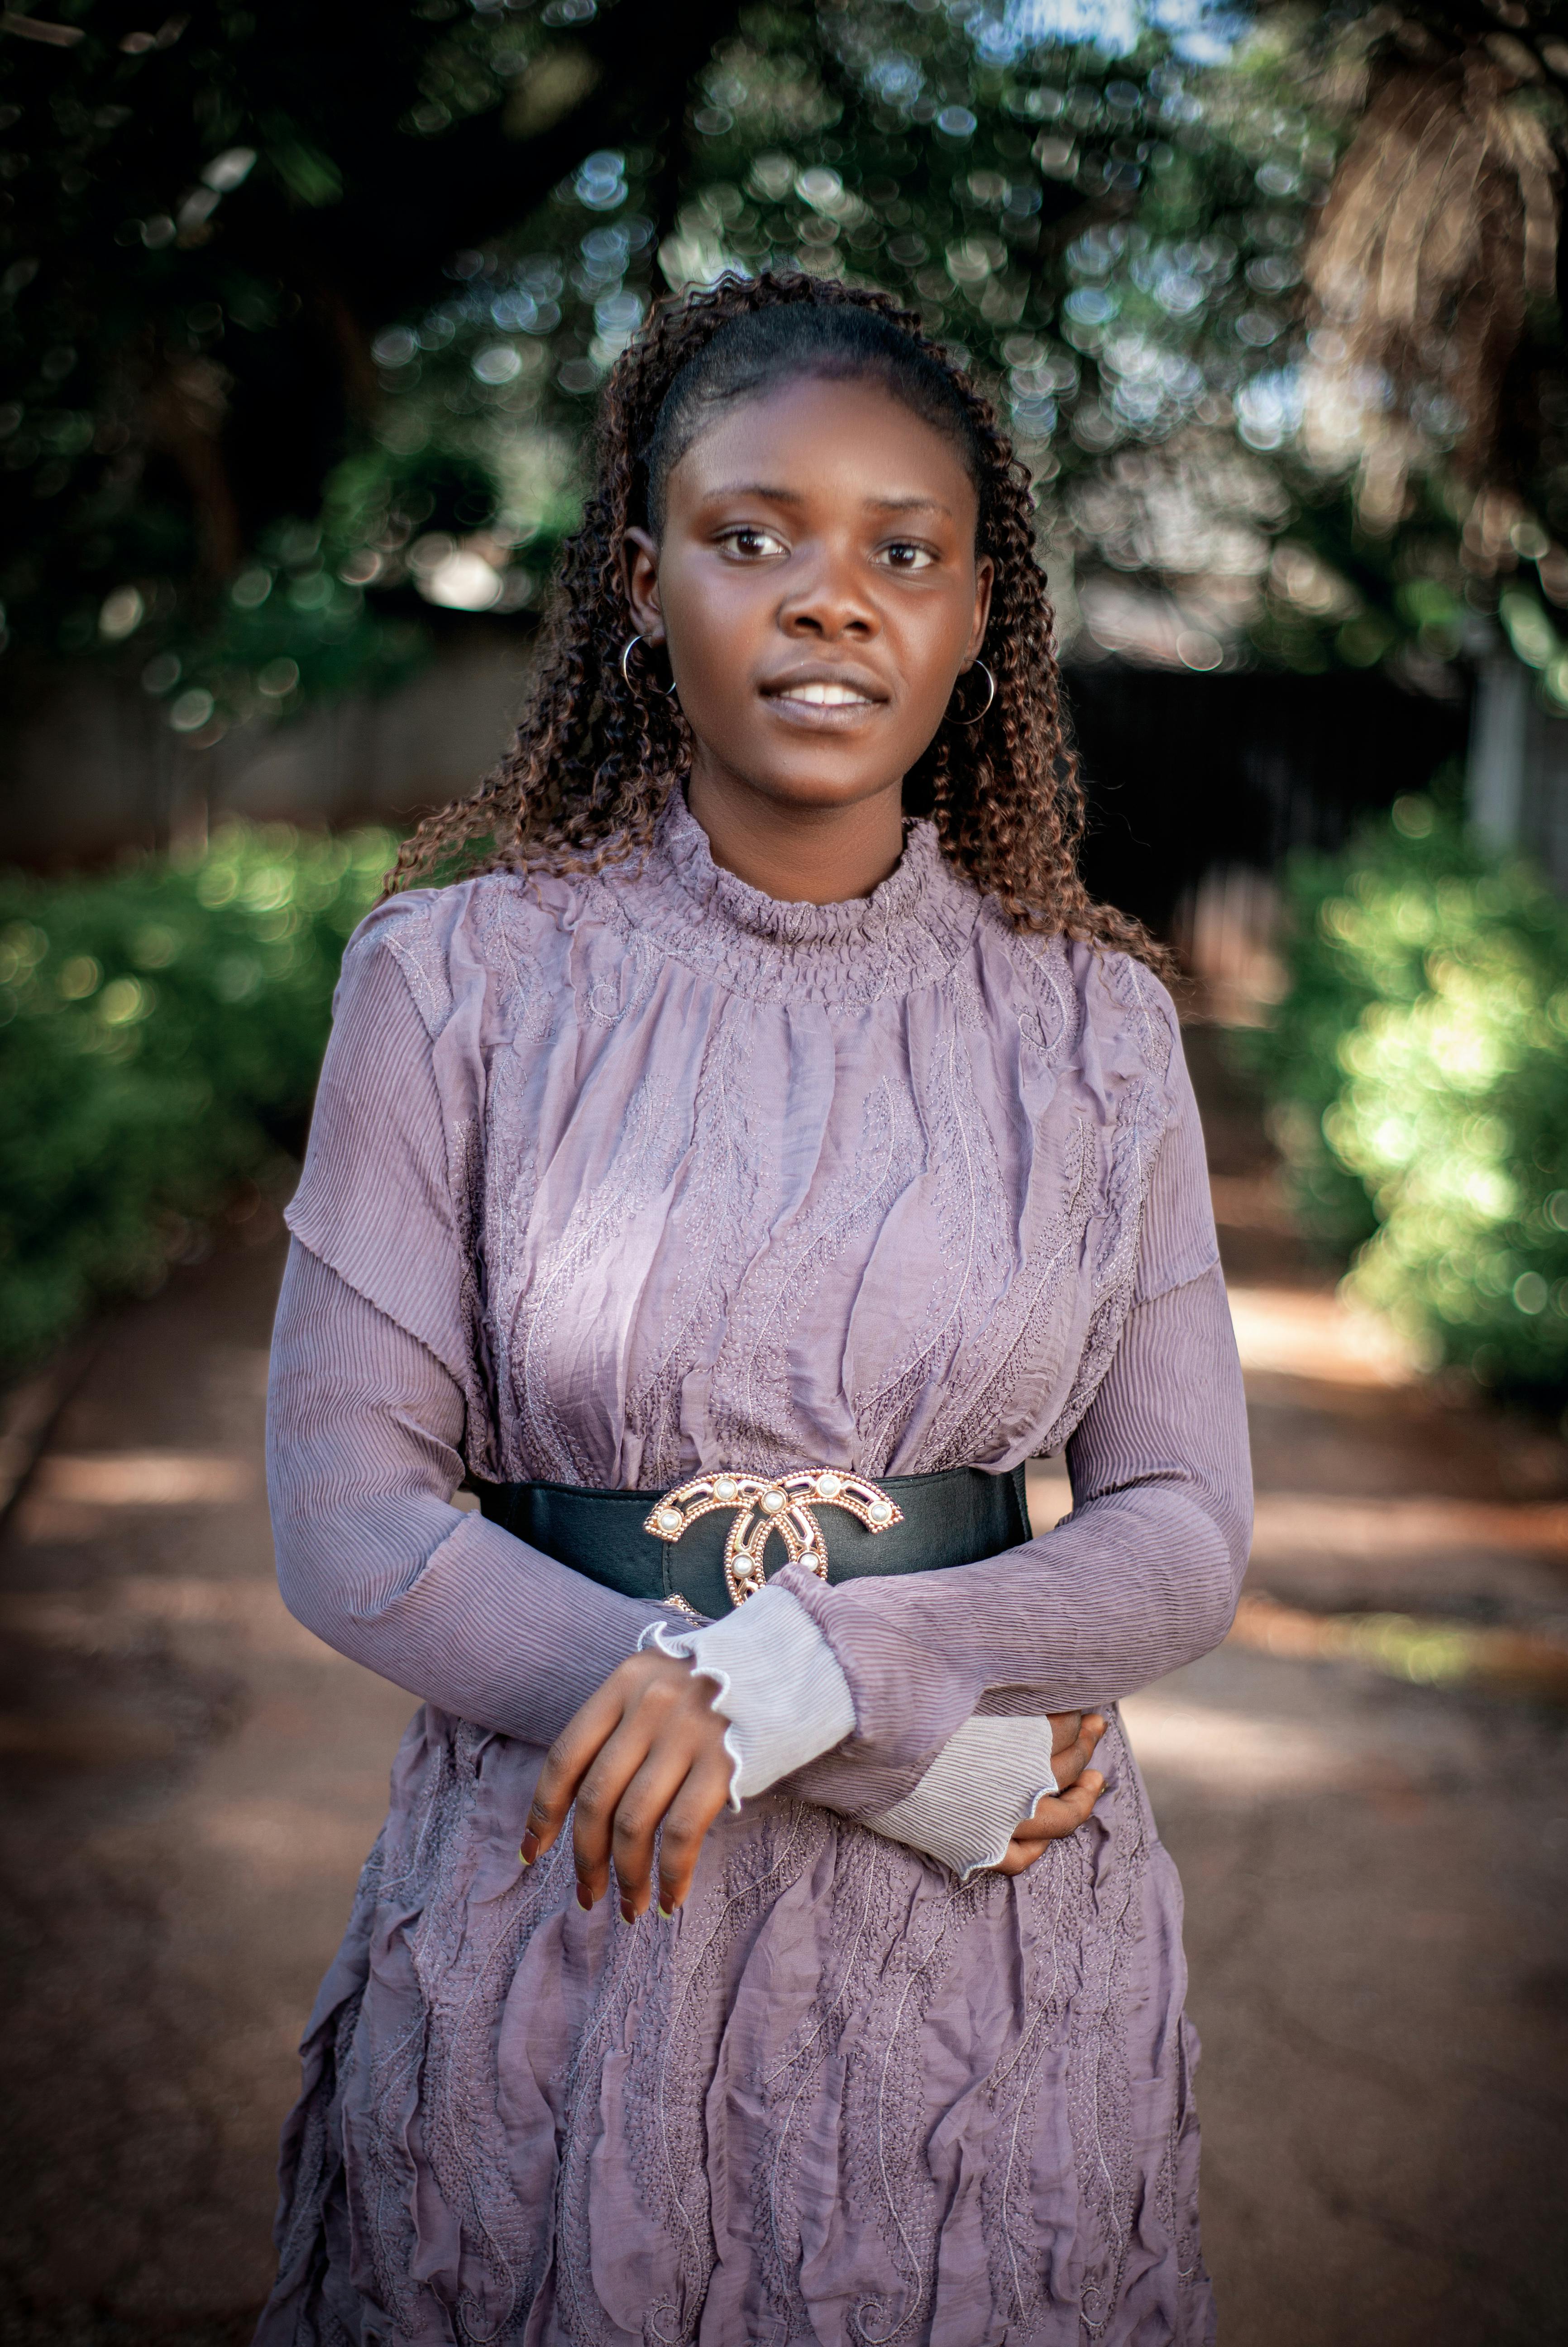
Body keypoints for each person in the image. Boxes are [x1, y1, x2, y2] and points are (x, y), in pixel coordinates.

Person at [257, 272, 1251, 2347]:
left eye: (906, 551)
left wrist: (819, 1672)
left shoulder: (1096, 1033)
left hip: (992, 1952)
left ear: (981, 617)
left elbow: (1183, 1533)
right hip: (579, 1890)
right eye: (753, 538)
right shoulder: (457, 985)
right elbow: (348, 1512)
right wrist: (872, 1753)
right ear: (643, 581)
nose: (833, 600)